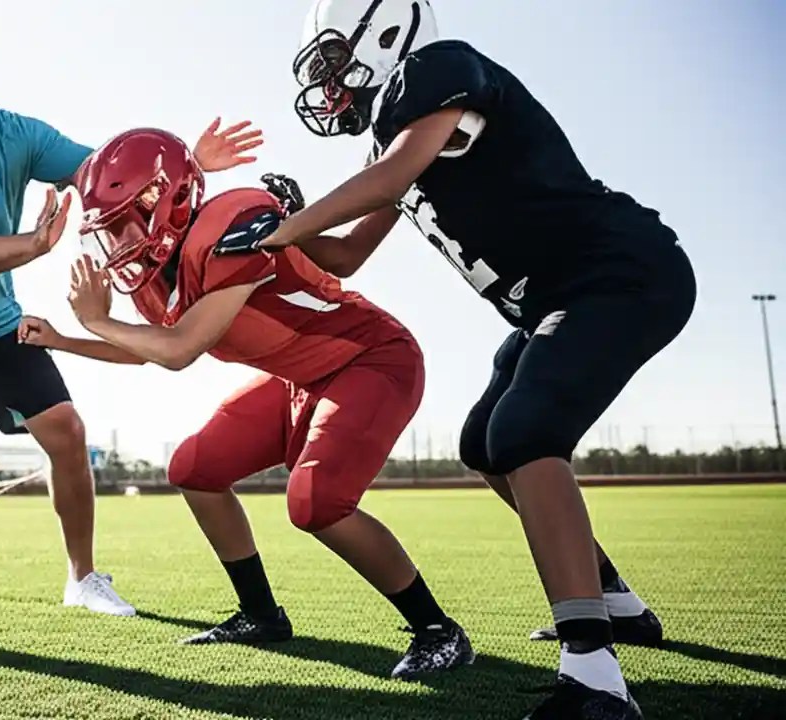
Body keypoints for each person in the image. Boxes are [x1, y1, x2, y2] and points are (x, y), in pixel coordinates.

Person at [214, 1, 695, 716]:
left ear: (384, 34)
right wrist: (283, 229)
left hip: (618, 271)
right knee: (487, 445)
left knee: (526, 433)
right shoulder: (393, 140)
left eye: (334, 60)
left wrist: (285, 227)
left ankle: (594, 674)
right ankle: (616, 602)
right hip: (554, 299)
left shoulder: (436, 68)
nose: (330, 82)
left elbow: (392, 175)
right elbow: (346, 253)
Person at [0, 10, 266, 642]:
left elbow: (107, 177)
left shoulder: (14, 134)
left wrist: (186, 163)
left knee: (68, 432)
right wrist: (32, 248)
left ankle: (83, 578)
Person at [20, 127, 475, 680]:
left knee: (317, 503)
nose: (121, 242)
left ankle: (437, 631)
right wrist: (63, 339)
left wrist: (96, 320)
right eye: (112, 230)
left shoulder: (233, 226)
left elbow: (180, 350)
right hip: (297, 379)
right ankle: (261, 614)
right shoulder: (155, 278)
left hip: (370, 360)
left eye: (127, 223)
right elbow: (146, 352)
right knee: (195, 468)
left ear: (169, 200)